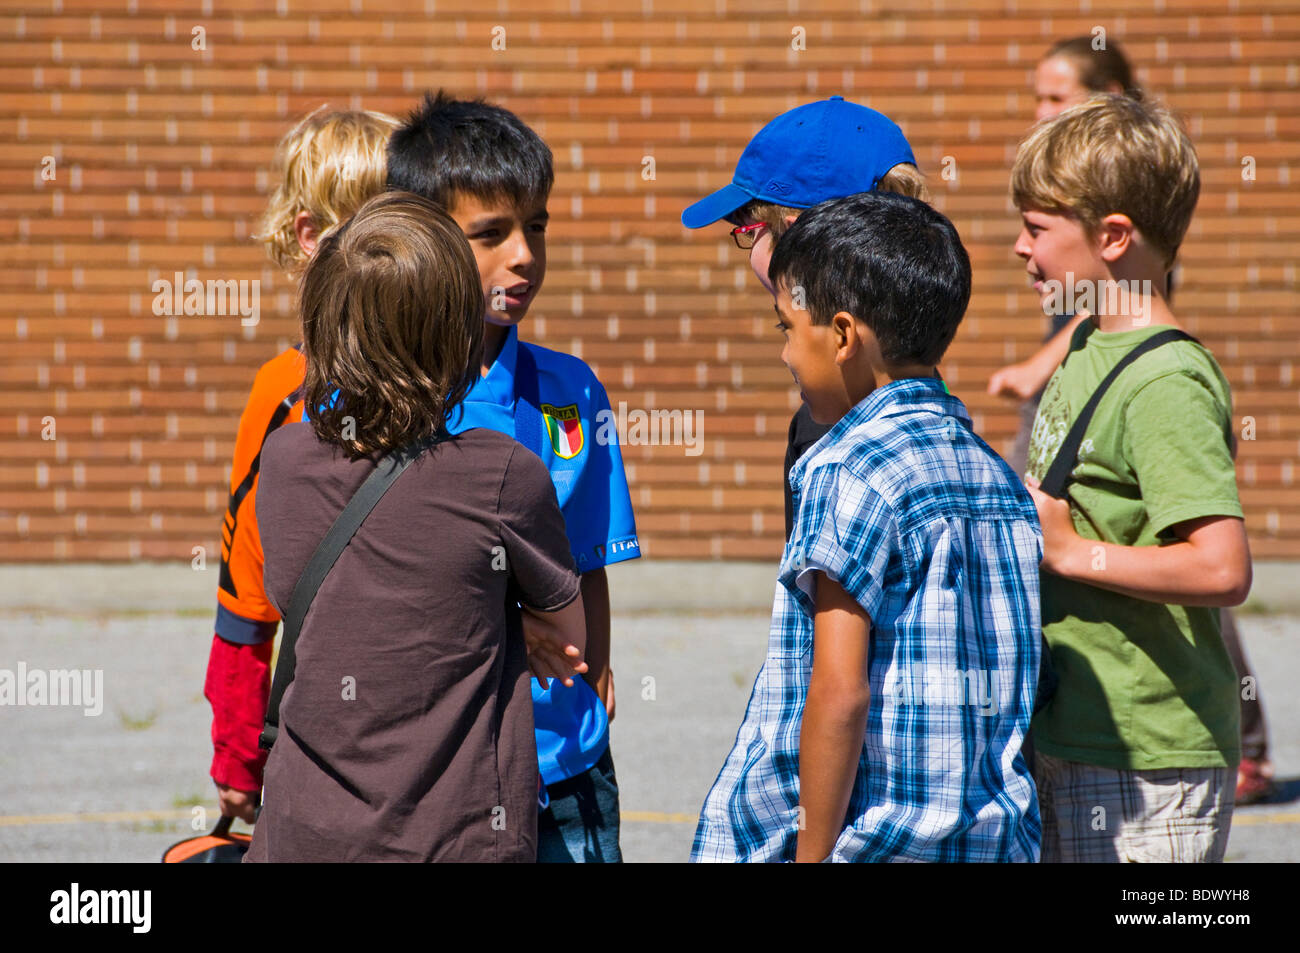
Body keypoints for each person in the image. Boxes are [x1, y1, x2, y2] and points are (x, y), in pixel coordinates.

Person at [691, 191, 1043, 862]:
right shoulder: (996, 478)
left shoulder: (848, 470)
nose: (787, 354)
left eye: (786, 329)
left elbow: (840, 691)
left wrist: (813, 852)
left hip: (872, 844)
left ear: (845, 335)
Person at [245, 192, 587, 862]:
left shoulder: (280, 460)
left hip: (301, 834)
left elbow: (337, 610)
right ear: (457, 332)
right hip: (453, 841)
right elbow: (569, 641)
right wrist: (493, 621)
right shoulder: (503, 473)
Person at [995, 38, 1274, 805]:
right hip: (1077, 734)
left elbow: (1221, 569)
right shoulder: (1084, 339)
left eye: (1038, 227)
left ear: (1113, 236)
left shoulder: (1166, 380)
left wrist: (1073, 554)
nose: (1020, 246)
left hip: (1150, 763)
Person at [386, 91, 640, 862]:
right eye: (492, 233)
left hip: (562, 759)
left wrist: (593, 662)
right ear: (422, 240)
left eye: (537, 225)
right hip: (436, 760)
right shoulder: (375, 399)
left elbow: (586, 555)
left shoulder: (572, 391)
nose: (524, 253)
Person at [204, 107, 398, 826]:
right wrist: (236, 757)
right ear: (311, 236)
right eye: (375, 224)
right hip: (316, 740)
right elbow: (243, 601)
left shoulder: (457, 378)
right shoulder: (279, 396)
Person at [680, 96, 929, 541]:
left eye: (747, 232)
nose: (748, 253)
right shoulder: (928, 398)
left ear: (797, 235)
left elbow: (827, 606)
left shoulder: (828, 424)